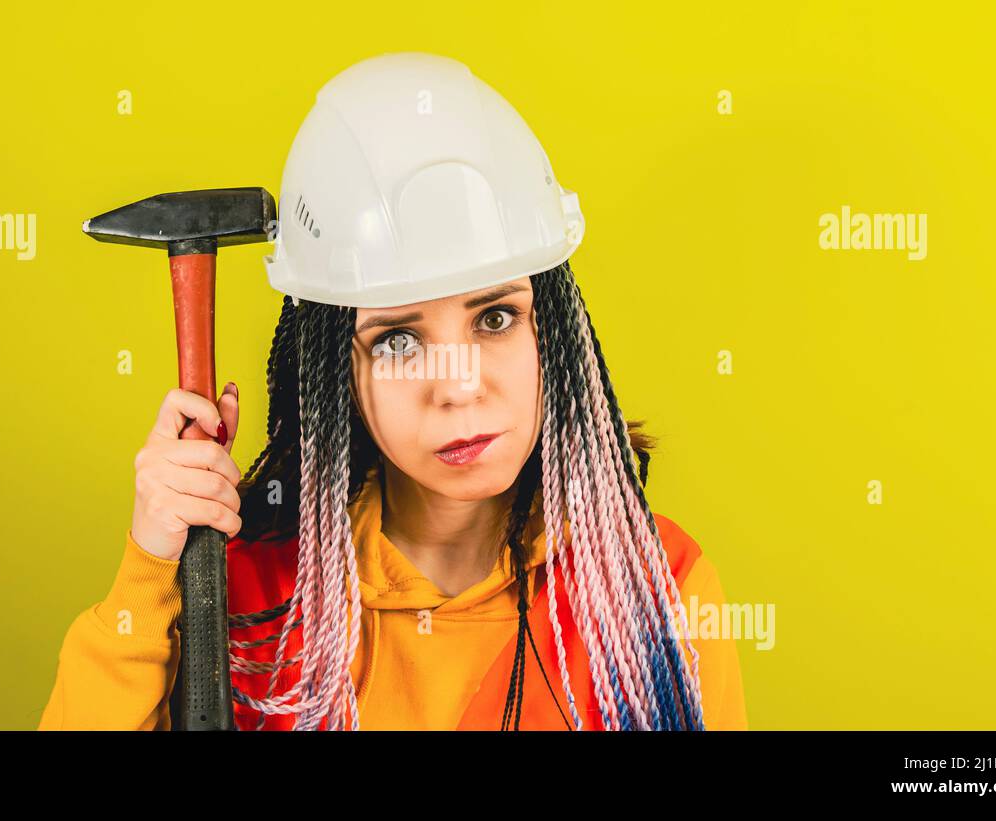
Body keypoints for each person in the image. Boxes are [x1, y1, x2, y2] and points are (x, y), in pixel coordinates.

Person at [38, 52, 747, 731]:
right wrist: (149, 566)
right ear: (337, 371)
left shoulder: (654, 588)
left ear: (552, 332)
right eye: (399, 340)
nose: (460, 386)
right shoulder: (246, 602)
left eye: (496, 317)